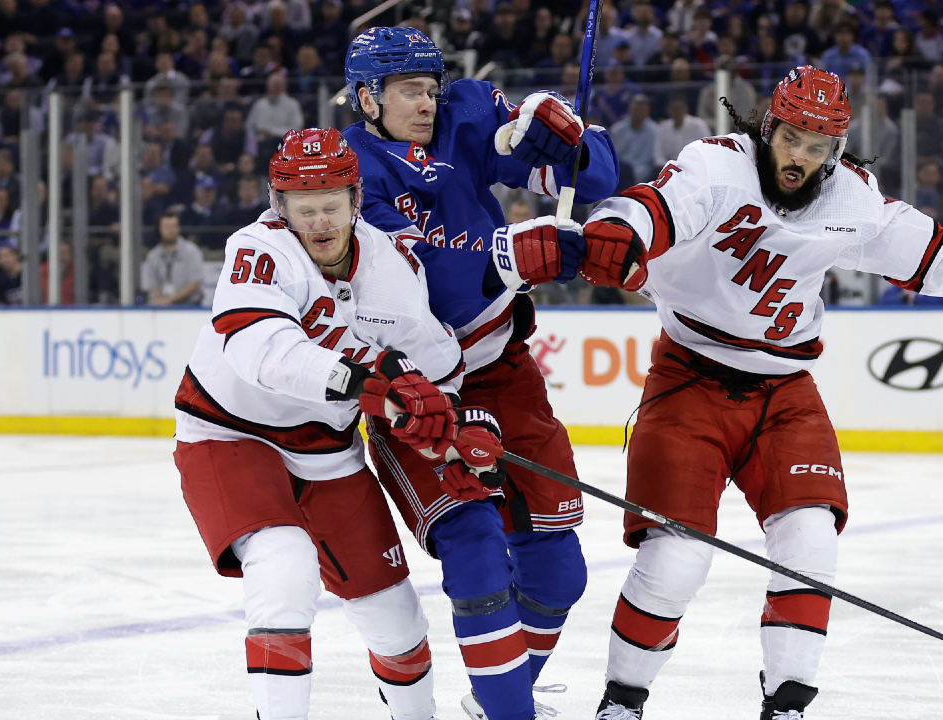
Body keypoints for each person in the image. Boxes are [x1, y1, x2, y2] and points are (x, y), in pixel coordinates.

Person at [572, 66, 943, 720]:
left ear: (836, 149)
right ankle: (622, 702)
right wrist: (620, 228)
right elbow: (657, 205)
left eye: (818, 146)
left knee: (811, 542)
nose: (800, 157)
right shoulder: (716, 166)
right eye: (791, 137)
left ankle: (788, 704)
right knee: (677, 560)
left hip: (785, 394)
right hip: (690, 381)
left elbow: (937, 255)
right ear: (768, 127)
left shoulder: (852, 201)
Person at [341, 27, 618, 720]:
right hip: (416, 391)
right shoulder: (352, 169)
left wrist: (561, 139)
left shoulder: (466, 112)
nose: (427, 103)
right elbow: (406, 285)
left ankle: (496, 700)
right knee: (476, 550)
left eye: (430, 88)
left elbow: (600, 179)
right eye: (409, 91)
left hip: (502, 368)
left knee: (559, 570)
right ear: (367, 98)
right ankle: (508, 712)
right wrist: (509, 254)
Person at [173, 127, 484, 720]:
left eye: (332, 207)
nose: (319, 223)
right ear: (279, 207)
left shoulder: (390, 269)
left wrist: (446, 433)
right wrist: (362, 382)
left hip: (327, 450)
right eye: (305, 209)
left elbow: (435, 368)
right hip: (228, 432)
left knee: (395, 618)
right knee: (283, 565)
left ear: (356, 199)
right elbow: (261, 349)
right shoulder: (258, 250)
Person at [141, 211, 205, 306]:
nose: (171, 230)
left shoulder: (191, 251)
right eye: (167, 227)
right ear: (159, 229)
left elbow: (195, 283)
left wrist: (169, 300)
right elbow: (152, 286)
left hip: (191, 305)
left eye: (174, 226)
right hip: (162, 306)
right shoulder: (153, 255)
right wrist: (157, 301)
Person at [610, 94, 658, 190]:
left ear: (647, 111)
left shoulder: (654, 130)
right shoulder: (617, 129)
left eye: (642, 109)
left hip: (641, 167)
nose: (639, 112)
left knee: (640, 172)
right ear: (630, 110)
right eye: (636, 108)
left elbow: (649, 157)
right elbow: (613, 153)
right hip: (620, 166)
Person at [654, 96, 710, 168]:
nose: (677, 111)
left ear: (686, 109)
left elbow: (707, 148)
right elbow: (658, 154)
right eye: (674, 109)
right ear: (668, 110)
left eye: (679, 108)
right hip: (669, 168)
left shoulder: (698, 125)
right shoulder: (663, 127)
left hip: (694, 165)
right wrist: (668, 167)